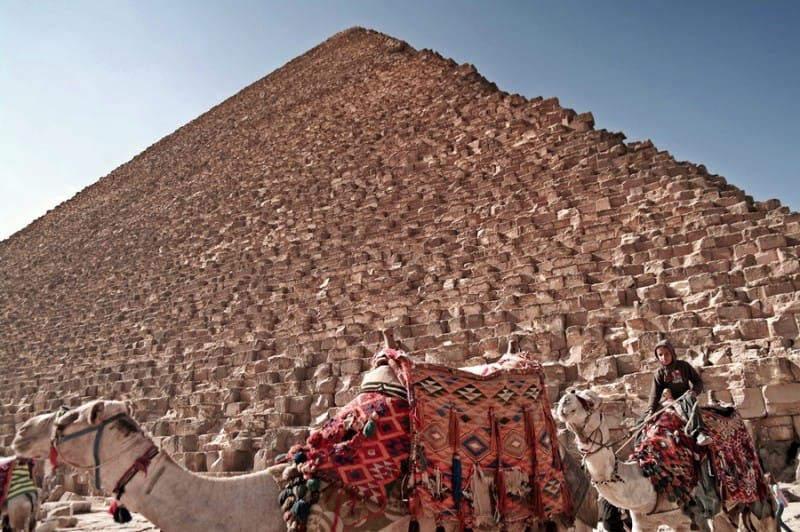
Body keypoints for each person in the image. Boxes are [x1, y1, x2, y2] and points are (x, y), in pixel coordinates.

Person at [646, 339, 712, 446]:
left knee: (690, 400)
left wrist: (694, 392)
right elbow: (655, 394)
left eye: (666, 354)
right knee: (643, 420)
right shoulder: (659, 373)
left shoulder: (684, 366)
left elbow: (697, 382)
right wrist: (650, 411)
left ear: (672, 353)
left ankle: (699, 433)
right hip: (668, 401)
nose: (664, 357)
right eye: (660, 355)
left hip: (684, 398)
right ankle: (638, 448)